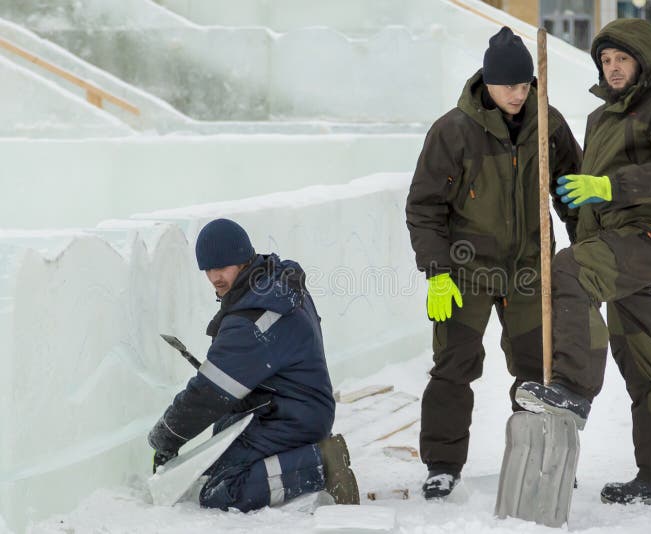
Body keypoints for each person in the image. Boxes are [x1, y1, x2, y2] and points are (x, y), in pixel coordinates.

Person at [516, 18, 651, 507]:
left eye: (621, 58)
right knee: (642, 357)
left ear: (641, 59)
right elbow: (589, 189)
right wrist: (581, 205)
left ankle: (573, 390)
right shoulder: (601, 119)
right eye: (605, 60)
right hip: (614, 240)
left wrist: (608, 187)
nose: (613, 68)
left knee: (568, 272)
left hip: (650, 235)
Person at [405, 26, 582, 499]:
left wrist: (583, 248)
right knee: (454, 366)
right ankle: (442, 464)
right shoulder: (453, 131)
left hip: (528, 268)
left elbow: (571, 192)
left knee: (535, 370)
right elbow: (424, 207)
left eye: (525, 85)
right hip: (466, 271)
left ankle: (540, 456)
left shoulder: (549, 124)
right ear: (488, 81)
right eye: (509, 86)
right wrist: (437, 270)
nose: (519, 94)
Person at [147, 218, 359, 511]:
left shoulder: (257, 315)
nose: (214, 277)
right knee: (216, 461)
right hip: (291, 404)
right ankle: (305, 456)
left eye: (223, 267)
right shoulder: (273, 284)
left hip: (292, 416)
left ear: (244, 261)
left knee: (221, 489)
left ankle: (321, 463)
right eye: (208, 269)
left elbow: (209, 392)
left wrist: (166, 439)